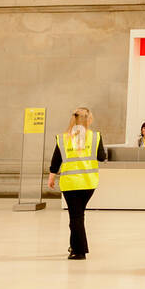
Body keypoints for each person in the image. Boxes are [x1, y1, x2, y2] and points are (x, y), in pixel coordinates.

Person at [47, 107, 106, 260]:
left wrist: (51, 177)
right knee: (78, 216)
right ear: (89, 119)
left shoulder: (63, 138)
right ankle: (75, 245)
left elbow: (56, 160)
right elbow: (101, 157)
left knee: (76, 217)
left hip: (70, 183)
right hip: (89, 183)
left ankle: (79, 251)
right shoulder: (95, 137)